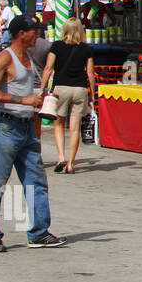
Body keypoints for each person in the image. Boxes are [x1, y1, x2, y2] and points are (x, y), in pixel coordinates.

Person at [0, 15, 67, 251]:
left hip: (27, 127)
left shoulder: (28, 56)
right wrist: (23, 100)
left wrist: (38, 104)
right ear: (21, 33)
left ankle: (39, 232)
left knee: (37, 181)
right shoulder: (6, 57)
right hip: (6, 127)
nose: (38, 34)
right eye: (34, 31)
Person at [40, 18, 96, 175]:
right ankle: (71, 163)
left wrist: (42, 88)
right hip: (80, 88)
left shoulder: (56, 46)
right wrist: (92, 92)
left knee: (58, 124)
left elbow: (48, 68)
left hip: (61, 88)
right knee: (75, 128)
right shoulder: (86, 49)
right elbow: (90, 72)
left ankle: (60, 157)